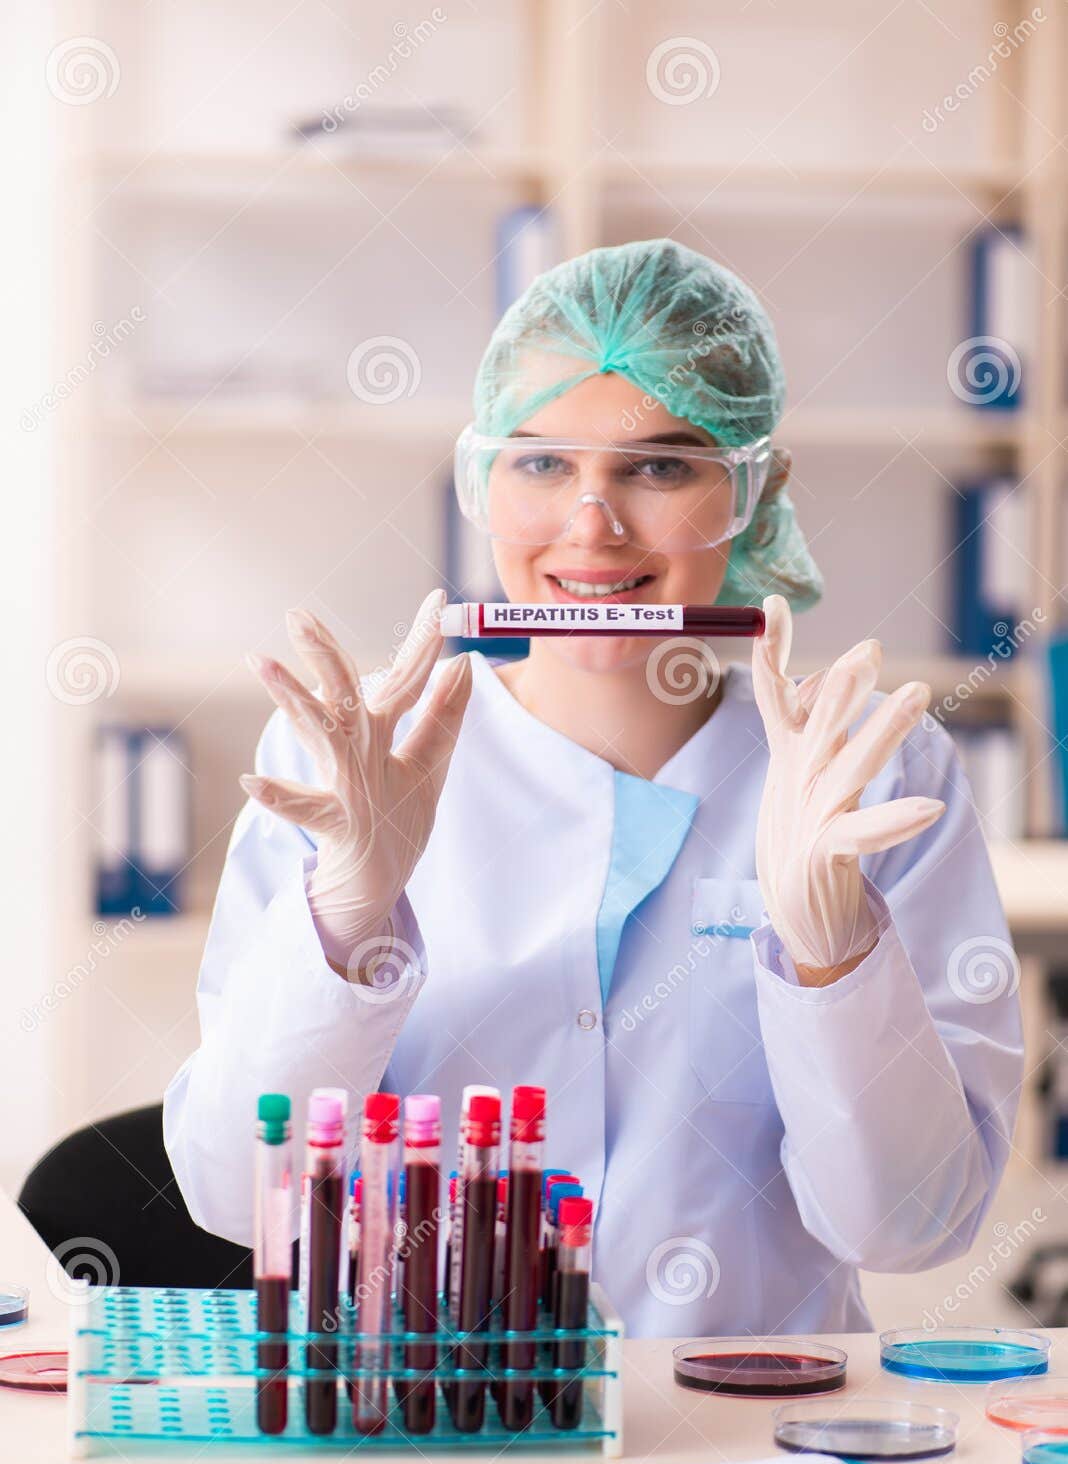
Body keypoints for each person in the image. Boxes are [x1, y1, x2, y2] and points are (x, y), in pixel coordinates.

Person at [164, 239, 1021, 1337]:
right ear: (479, 482)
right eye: (542, 464)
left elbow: (909, 1228)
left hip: (752, 1439)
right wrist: (345, 918)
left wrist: (837, 957)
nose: (592, 527)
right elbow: (233, 1197)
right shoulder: (339, 762)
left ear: (754, 491)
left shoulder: (874, 774)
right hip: (422, 1432)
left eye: (662, 466)